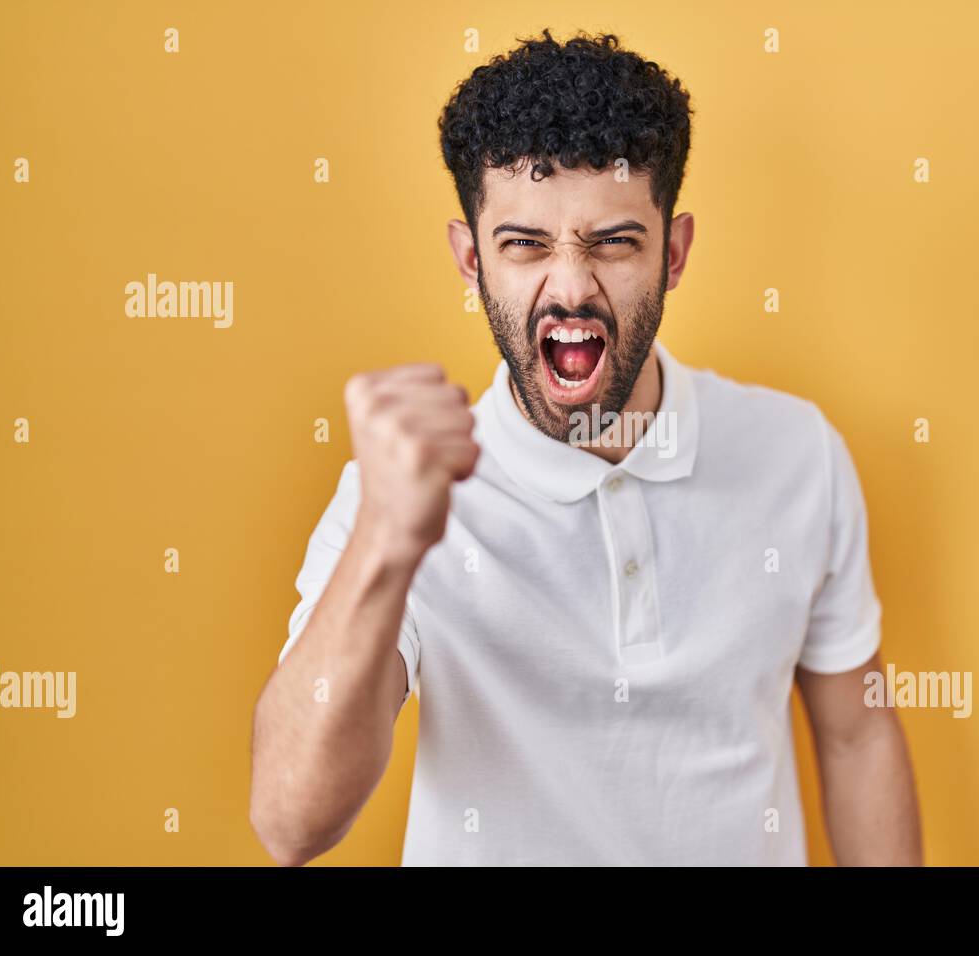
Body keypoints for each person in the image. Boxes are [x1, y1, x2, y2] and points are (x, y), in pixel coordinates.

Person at [249, 28, 922, 866]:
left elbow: (857, 737)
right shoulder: (392, 498)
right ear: (471, 261)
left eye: (613, 242)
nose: (569, 287)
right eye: (524, 244)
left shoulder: (797, 454)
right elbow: (290, 821)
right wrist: (386, 543)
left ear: (674, 253)